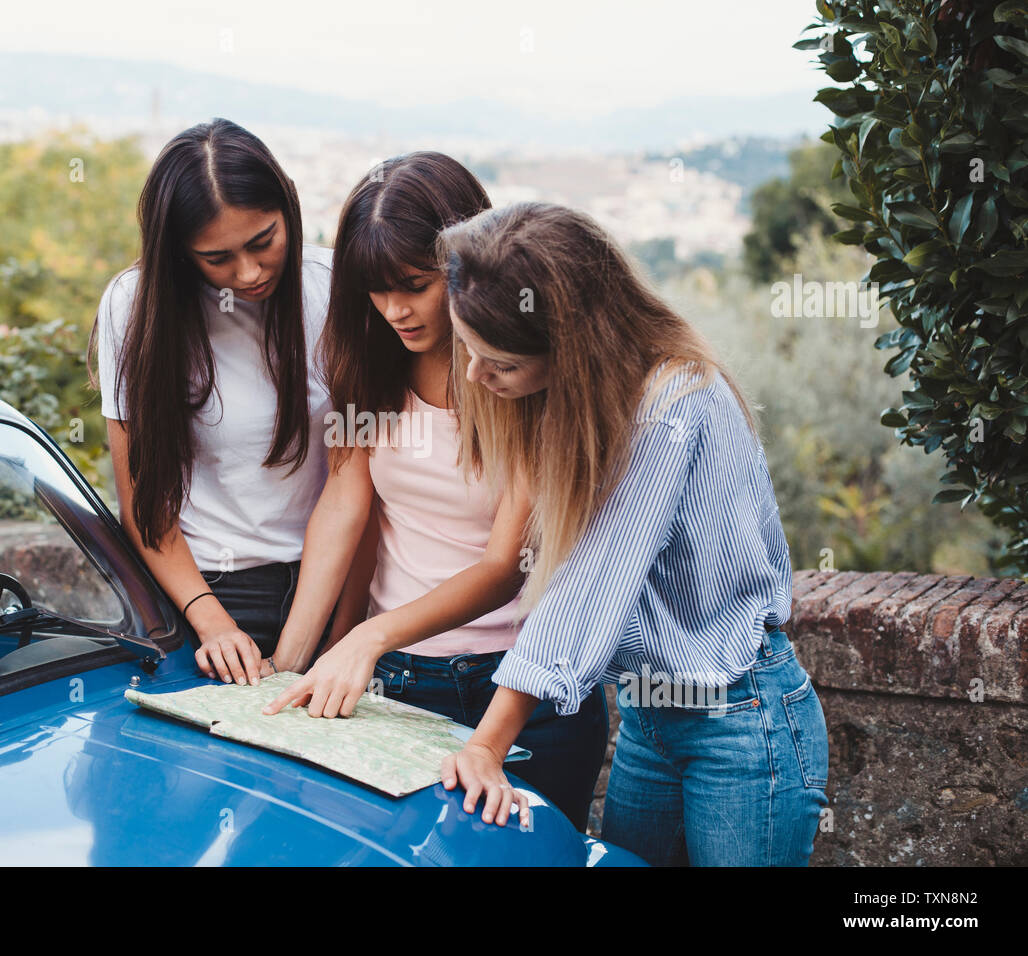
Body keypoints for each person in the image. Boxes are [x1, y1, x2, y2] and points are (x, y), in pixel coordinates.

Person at [435, 201, 829, 866]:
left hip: (737, 722)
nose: (474, 377)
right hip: (647, 721)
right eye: (467, 352)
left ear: (570, 342)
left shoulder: (669, 409)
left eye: (496, 362)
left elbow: (591, 579)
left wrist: (486, 745)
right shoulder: (590, 400)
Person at [262, 155, 607, 832]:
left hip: (520, 688)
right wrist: (295, 659)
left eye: (415, 286)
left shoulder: (524, 375)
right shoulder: (371, 362)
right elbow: (349, 509)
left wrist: (366, 637)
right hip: (399, 681)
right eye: (374, 291)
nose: (394, 310)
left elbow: (505, 568)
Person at [89, 118, 335, 687]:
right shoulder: (135, 307)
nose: (248, 273)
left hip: (335, 586)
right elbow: (144, 503)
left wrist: (334, 631)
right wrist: (212, 622)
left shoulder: (332, 287)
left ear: (289, 209)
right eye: (216, 257)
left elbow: (362, 485)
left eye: (263, 241)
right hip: (205, 591)